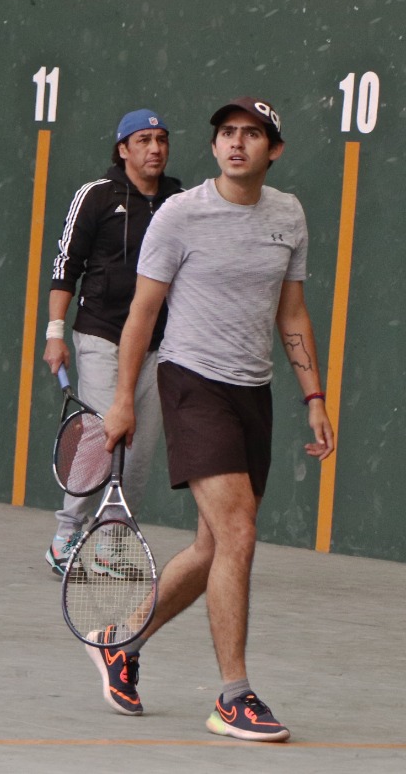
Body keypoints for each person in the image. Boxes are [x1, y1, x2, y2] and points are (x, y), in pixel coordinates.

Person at [96, 97, 335, 742]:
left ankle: (122, 642)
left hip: (252, 392)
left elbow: (292, 314)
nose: (236, 144)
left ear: (273, 149)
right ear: (215, 147)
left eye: (251, 135)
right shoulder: (180, 215)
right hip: (190, 383)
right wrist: (123, 400)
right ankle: (234, 694)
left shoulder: (289, 215)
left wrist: (314, 397)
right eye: (226, 134)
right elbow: (143, 313)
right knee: (239, 534)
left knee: (211, 547)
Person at [43, 109, 182, 576]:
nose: (155, 148)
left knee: (138, 447)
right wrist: (55, 333)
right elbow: (67, 265)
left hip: (157, 344)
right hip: (100, 333)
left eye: (161, 139)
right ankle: (66, 537)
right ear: (123, 149)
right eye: (143, 140)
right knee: (105, 435)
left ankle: (109, 543)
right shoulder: (96, 197)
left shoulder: (179, 202)